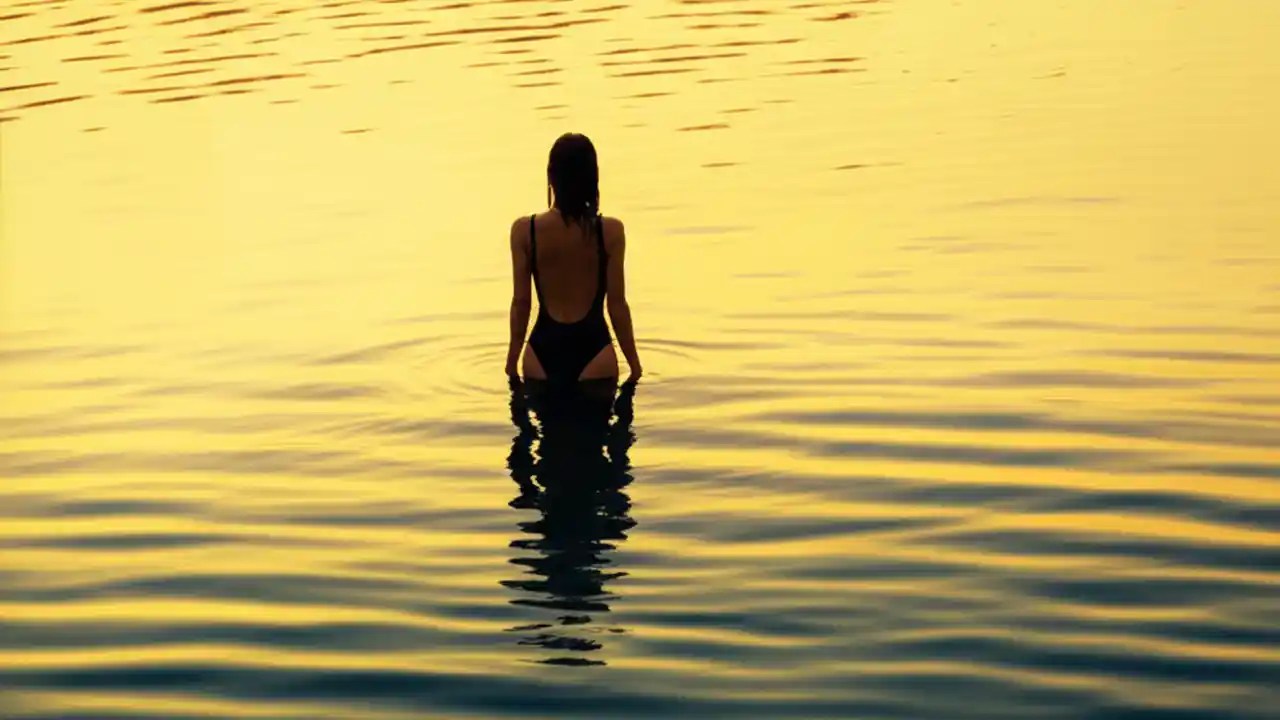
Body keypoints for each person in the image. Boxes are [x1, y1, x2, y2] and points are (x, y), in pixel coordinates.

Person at [505, 133, 642, 385]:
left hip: (540, 355)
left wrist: (512, 361)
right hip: (595, 354)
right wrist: (634, 365)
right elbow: (617, 305)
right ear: (593, 178)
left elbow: (521, 303)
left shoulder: (525, 231)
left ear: (551, 176)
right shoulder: (610, 232)